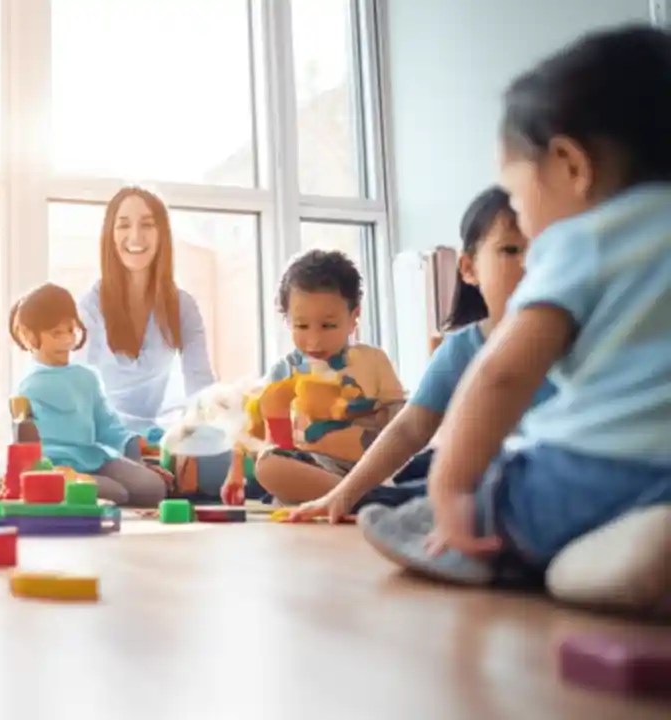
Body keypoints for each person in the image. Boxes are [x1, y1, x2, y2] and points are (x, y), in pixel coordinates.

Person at [359, 25, 671, 616]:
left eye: (519, 199)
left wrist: (452, 487)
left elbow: (502, 374)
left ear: (570, 166)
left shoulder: (585, 241)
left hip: (589, 478)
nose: (526, 230)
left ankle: (583, 562)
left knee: (492, 502)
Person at [286, 187, 554, 521]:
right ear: (469, 268)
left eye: (546, 248)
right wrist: (343, 495)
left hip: (560, 479)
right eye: (510, 249)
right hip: (484, 482)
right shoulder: (462, 349)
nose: (530, 263)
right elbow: (410, 429)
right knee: (434, 475)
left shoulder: (585, 338)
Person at [232, 249, 404, 504]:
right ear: (287, 320)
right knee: (269, 465)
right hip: (314, 467)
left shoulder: (373, 360)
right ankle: (357, 499)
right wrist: (235, 475)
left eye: (328, 326)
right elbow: (249, 424)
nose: (314, 340)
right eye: (301, 326)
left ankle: (359, 496)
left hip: (369, 468)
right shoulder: (285, 370)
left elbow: (401, 420)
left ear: (354, 317)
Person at [13, 283, 170, 507]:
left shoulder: (86, 378)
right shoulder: (28, 387)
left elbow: (107, 426)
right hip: (56, 467)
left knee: (153, 488)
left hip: (94, 458)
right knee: (116, 493)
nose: (67, 340)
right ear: (29, 336)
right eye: (56, 333)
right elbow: (26, 447)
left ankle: (92, 487)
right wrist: (51, 469)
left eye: (70, 330)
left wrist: (138, 445)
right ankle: (71, 487)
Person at [76, 186, 215, 431]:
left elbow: (200, 386)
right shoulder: (91, 306)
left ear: (162, 234)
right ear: (110, 235)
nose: (136, 236)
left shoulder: (183, 307)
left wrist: (198, 433)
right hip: (105, 437)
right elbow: (76, 390)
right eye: (124, 225)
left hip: (161, 436)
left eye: (147, 224)